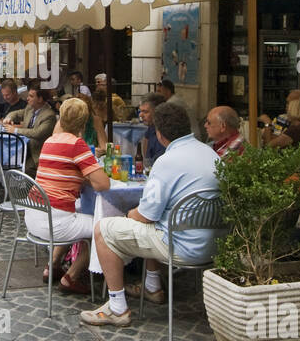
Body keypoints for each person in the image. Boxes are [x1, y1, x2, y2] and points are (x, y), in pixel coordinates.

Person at [80, 101, 221, 327]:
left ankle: (117, 308)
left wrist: (128, 215)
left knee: (103, 229)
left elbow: (145, 215)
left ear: (160, 134)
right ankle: (152, 286)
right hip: (215, 244)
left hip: (180, 246)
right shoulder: (211, 154)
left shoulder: (167, 161)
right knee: (154, 224)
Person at [29, 98, 112, 294]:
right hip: (54, 222)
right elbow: (103, 184)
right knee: (102, 229)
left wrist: (78, 178)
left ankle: (53, 265)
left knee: (75, 215)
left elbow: (61, 172)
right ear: (84, 123)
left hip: (34, 215)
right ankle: (71, 277)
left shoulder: (50, 141)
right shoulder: (77, 145)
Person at [0, 86, 57, 172]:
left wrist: (15, 130)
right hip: (22, 149)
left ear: (40, 99)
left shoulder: (49, 115)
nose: (27, 98)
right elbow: (16, 113)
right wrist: (9, 118)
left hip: (36, 154)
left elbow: (37, 132)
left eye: (31, 96)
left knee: (22, 170)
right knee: (5, 160)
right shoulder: (30, 108)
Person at [137, 95, 168, 167]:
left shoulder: (166, 134)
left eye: (145, 112)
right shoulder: (151, 127)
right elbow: (146, 156)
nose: (140, 115)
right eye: (140, 111)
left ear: (158, 112)